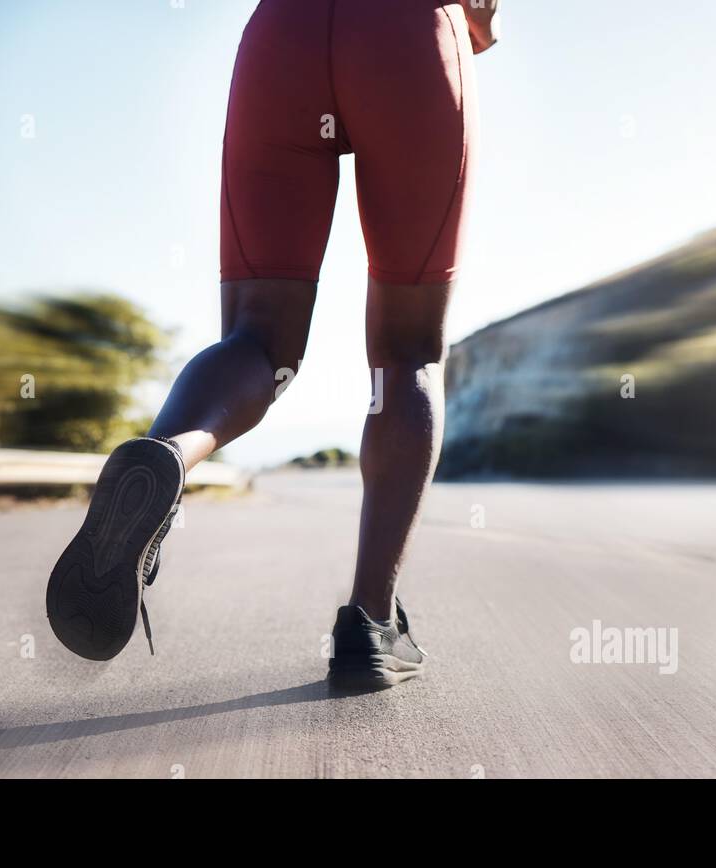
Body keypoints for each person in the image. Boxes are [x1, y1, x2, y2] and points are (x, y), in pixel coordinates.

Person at [47, 0, 499, 689]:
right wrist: (481, 29)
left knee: (260, 338)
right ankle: (370, 625)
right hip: (409, 36)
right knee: (409, 354)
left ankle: (170, 454)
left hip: (282, 37)